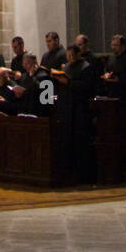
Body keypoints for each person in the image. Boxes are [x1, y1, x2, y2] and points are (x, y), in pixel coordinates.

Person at [54, 45, 97, 182]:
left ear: (78, 54)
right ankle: (68, 172)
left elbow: (87, 87)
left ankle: (82, 174)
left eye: (72, 56)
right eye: (68, 56)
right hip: (66, 108)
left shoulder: (86, 67)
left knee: (80, 142)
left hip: (80, 110)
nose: (69, 58)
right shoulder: (66, 67)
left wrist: (69, 82)